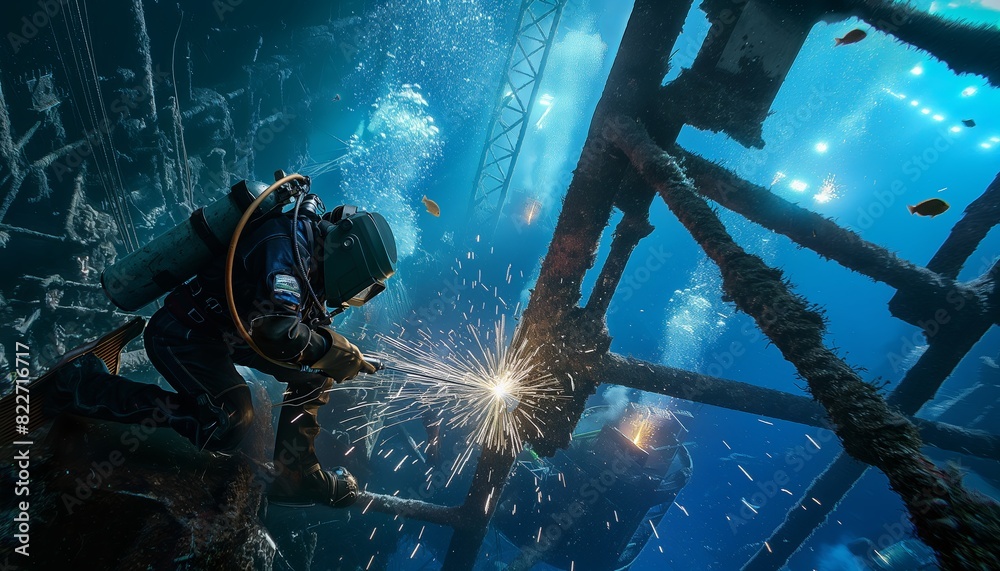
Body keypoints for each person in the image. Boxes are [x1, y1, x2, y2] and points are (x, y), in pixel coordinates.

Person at [46, 195, 396, 508]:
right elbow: (278, 331)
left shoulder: (313, 263)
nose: (356, 296)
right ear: (348, 252)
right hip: (184, 332)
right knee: (225, 422)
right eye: (361, 285)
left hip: (229, 337)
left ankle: (294, 475)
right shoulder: (288, 245)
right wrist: (336, 350)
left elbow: (286, 331)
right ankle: (82, 386)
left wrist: (331, 359)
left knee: (316, 375)